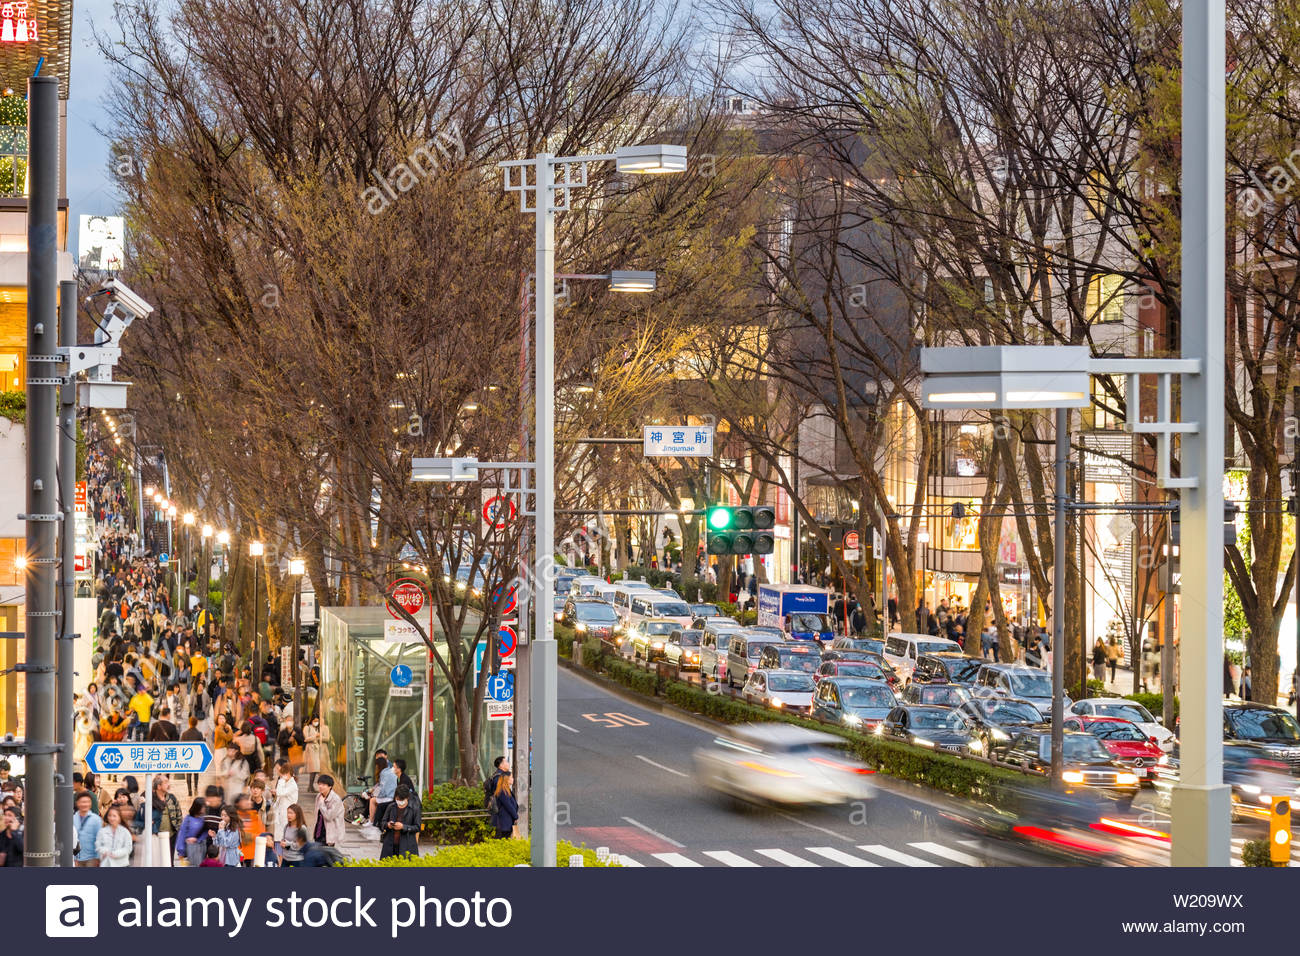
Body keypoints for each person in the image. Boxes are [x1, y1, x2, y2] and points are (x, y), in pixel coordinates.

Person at [380, 784, 421, 859]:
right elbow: (382, 823)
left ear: (407, 798)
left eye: (402, 800)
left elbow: (417, 827)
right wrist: (388, 825)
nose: (399, 802)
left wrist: (403, 827)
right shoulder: (391, 807)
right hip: (390, 846)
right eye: (398, 799)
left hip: (407, 846)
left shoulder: (414, 808)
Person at [269, 758, 299, 857]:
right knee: (278, 841)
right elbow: (279, 796)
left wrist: (281, 781)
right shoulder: (286, 782)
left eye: (282, 773)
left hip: (287, 815)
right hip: (280, 815)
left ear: (289, 773)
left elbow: (281, 792)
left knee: (284, 841)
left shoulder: (292, 784)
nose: (281, 775)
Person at [72, 791, 103, 867]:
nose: (85, 804)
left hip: (91, 858)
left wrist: (98, 857)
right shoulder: (72, 818)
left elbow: (99, 839)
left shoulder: (96, 819)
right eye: (82, 802)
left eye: (87, 802)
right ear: (77, 803)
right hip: (76, 858)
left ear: (91, 803)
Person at [313, 774, 345, 847]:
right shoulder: (319, 796)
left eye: (324, 785)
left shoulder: (335, 799)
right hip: (319, 831)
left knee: (326, 856)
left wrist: (322, 803)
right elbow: (316, 814)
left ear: (330, 786)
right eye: (319, 784)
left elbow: (329, 816)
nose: (320, 786)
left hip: (329, 834)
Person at [176, 798, 208, 866]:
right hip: (191, 848)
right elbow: (182, 834)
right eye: (203, 807)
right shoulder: (188, 819)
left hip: (202, 847)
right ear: (197, 807)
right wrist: (181, 851)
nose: (204, 808)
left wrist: (197, 839)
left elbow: (206, 832)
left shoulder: (205, 818)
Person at [487, 770, 518, 839]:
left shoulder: (506, 790)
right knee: (502, 839)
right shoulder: (502, 791)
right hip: (504, 821)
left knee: (504, 839)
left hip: (507, 821)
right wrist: (515, 816)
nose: (513, 779)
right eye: (511, 777)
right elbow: (509, 806)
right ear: (507, 779)